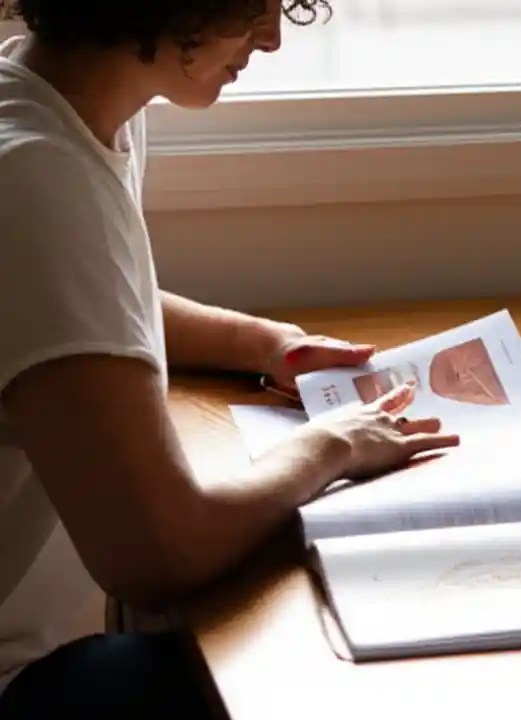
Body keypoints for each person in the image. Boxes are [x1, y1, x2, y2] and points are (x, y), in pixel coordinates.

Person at [0, 1, 460, 716]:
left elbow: (90, 304)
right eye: (253, 7)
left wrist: (263, 344)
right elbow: (158, 553)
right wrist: (330, 447)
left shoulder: (49, 105)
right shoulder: (38, 177)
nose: (273, 36)